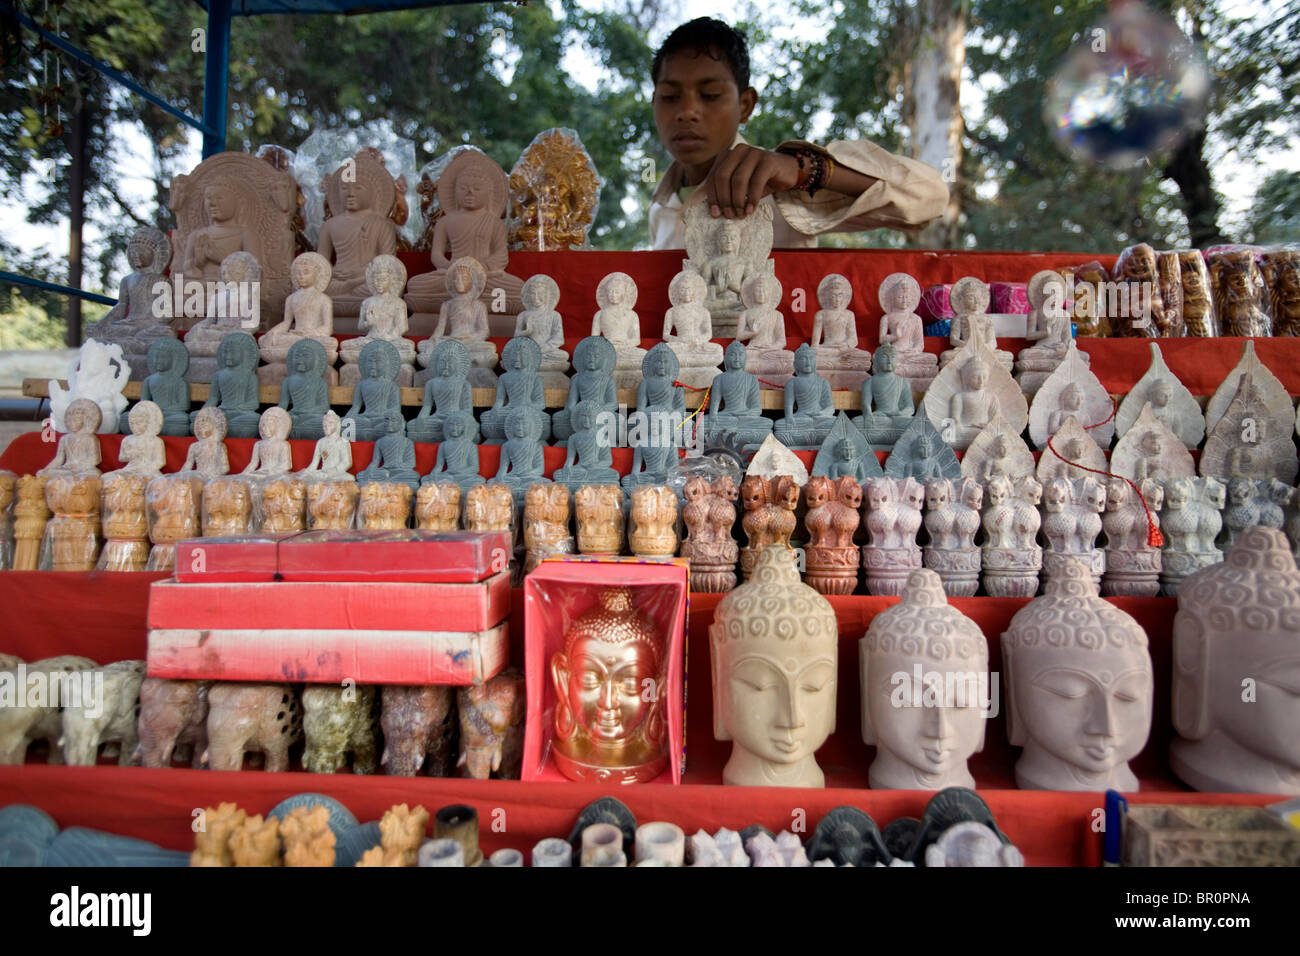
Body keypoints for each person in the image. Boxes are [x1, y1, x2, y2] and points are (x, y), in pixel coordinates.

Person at [649, 17, 947, 249]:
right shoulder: (660, 207)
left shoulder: (782, 186)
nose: (687, 112)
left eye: (710, 94)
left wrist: (805, 171)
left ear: (745, 105)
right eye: (670, 96)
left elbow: (930, 196)